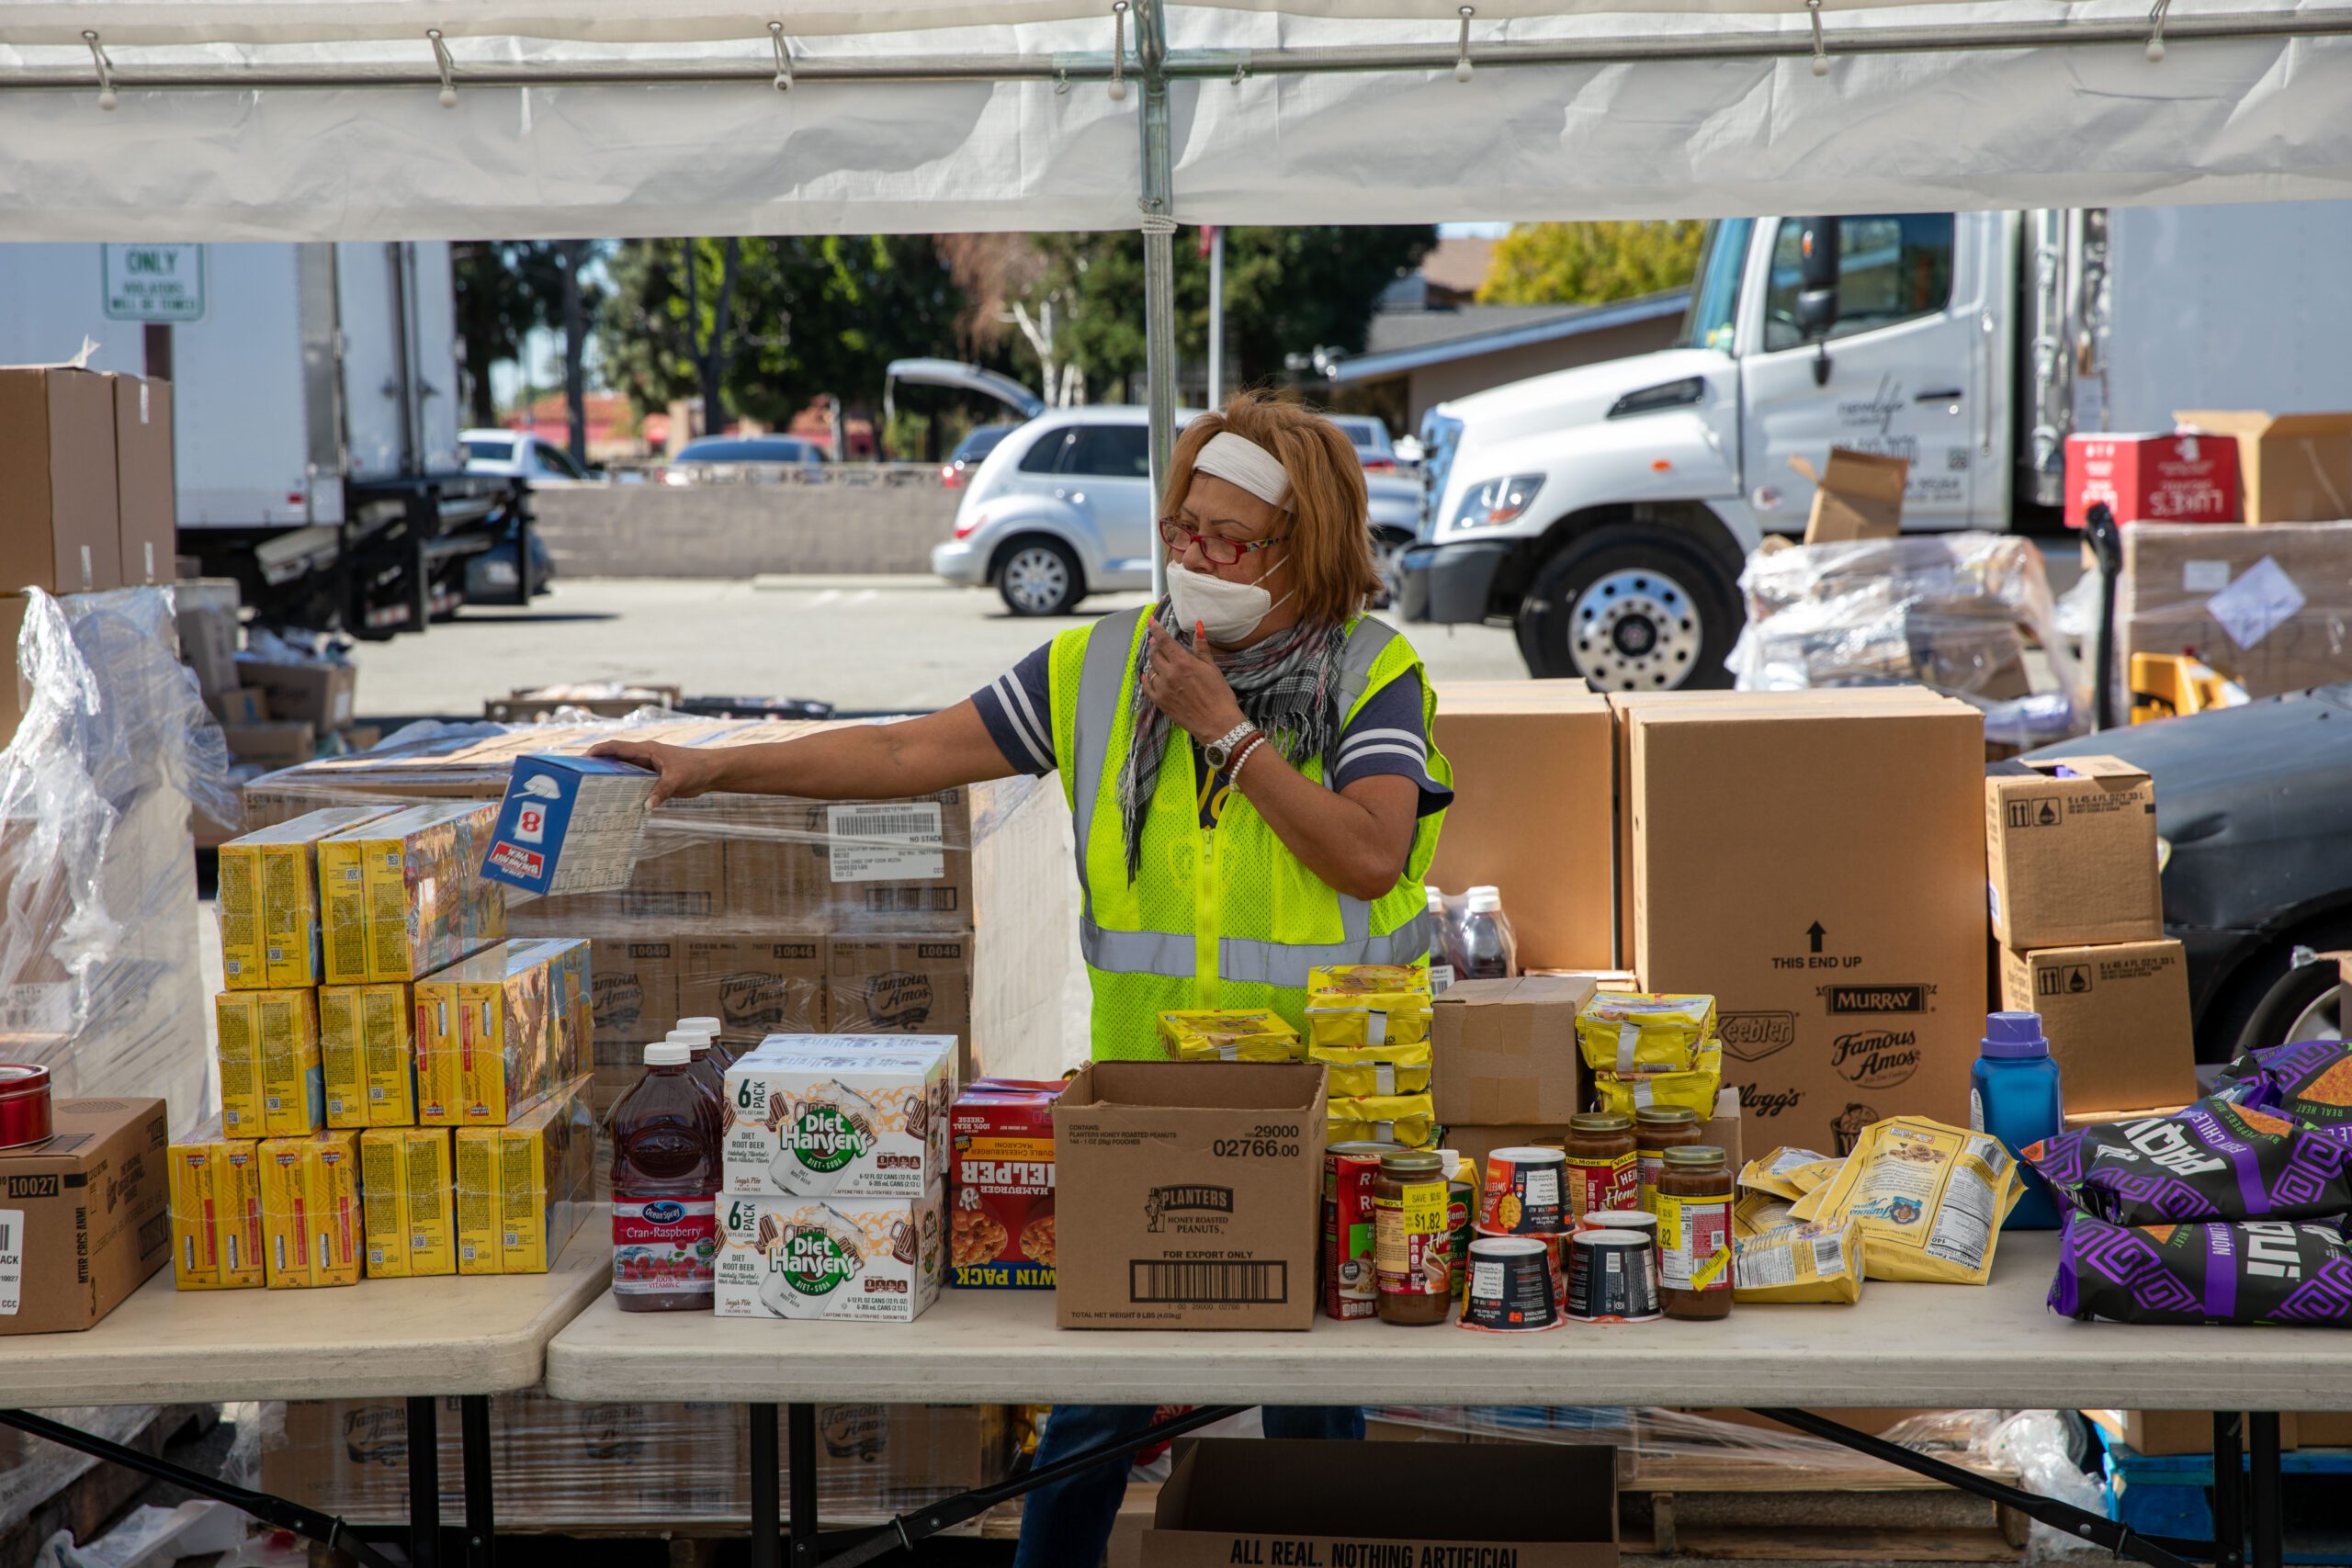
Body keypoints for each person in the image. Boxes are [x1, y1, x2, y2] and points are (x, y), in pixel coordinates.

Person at [591, 391, 1453, 1565]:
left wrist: (1226, 733)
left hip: (1324, 1115)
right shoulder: (1102, 666)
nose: (1193, 556)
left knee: (1309, 1402)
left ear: (1305, 553)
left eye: (1228, 540)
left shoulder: (1371, 670)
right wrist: (709, 766)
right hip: (1145, 1113)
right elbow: (906, 749)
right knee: (1097, 1397)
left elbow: (1367, 851)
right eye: (1182, 528)